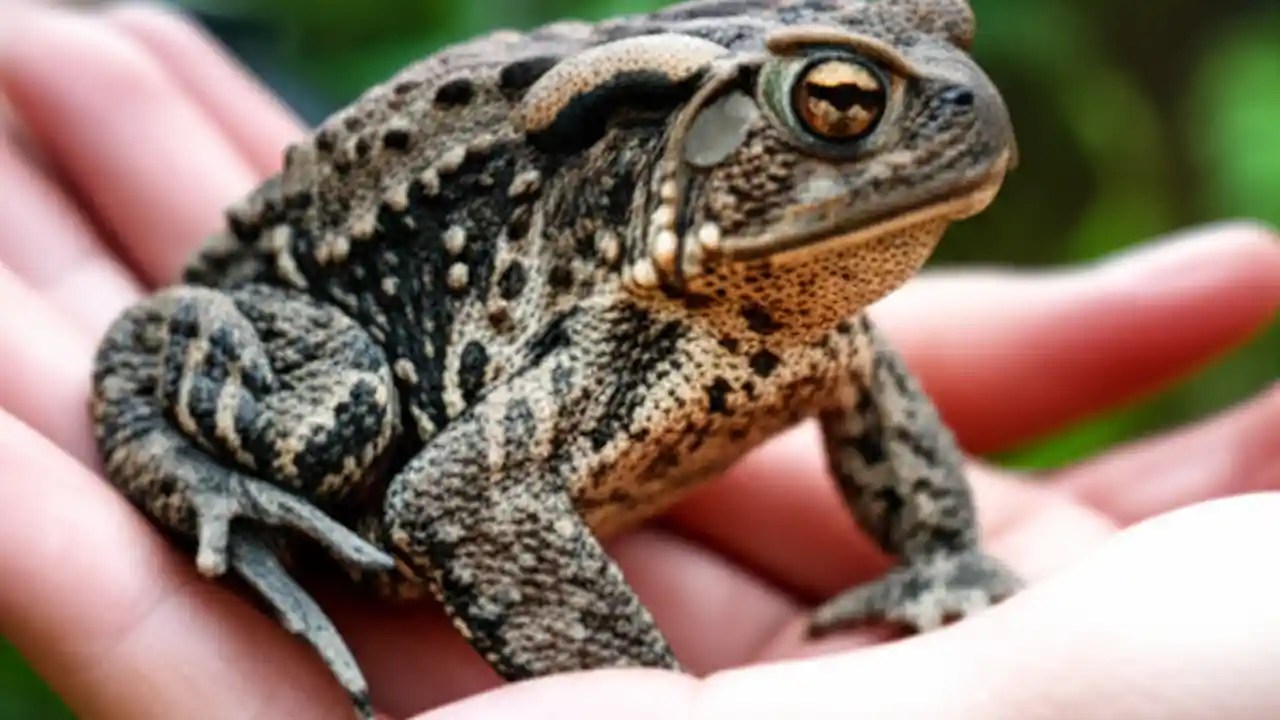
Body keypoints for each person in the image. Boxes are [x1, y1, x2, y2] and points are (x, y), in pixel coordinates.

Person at [0, 4, 1277, 719]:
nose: (952, 115)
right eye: (839, 111)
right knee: (330, 426)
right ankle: (201, 459)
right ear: (708, 154)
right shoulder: (623, 319)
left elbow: (855, 378)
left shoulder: (788, 302)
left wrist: (942, 555)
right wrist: (638, 694)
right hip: (330, 299)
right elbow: (453, 492)